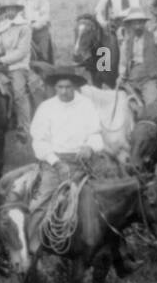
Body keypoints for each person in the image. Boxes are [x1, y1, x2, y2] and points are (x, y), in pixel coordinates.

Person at [18, 67, 110, 251]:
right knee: (41, 202)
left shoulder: (86, 105)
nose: (63, 91)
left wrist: (89, 146)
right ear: (55, 88)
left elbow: (96, 134)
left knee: (109, 200)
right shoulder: (46, 108)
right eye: (60, 87)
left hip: (84, 163)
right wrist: (56, 162)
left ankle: (115, 251)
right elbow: (39, 141)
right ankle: (32, 249)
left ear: (75, 87)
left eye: (68, 87)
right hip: (55, 164)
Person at [0, 0, 36, 133]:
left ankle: (25, 126)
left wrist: (2, 60)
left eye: (12, 9)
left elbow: (21, 52)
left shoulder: (25, 27)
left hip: (18, 65)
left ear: (16, 10)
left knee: (19, 93)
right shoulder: (3, 26)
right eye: (7, 9)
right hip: (2, 64)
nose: (9, 12)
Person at [116, 7, 157, 112]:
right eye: (134, 23)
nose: (137, 26)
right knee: (121, 105)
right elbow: (122, 63)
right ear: (130, 25)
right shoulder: (126, 43)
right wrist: (121, 75)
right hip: (131, 79)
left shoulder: (156, 37)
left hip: (149, 79)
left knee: (152, 108)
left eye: (140, 23)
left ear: (144, 23)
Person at [17, 0, 52, 65]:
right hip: (26, 31)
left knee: (43, 54)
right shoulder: (20, 1)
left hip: (40, 32)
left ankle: (45, 66)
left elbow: (45, 17)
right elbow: (18, 17)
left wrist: (34, 26)